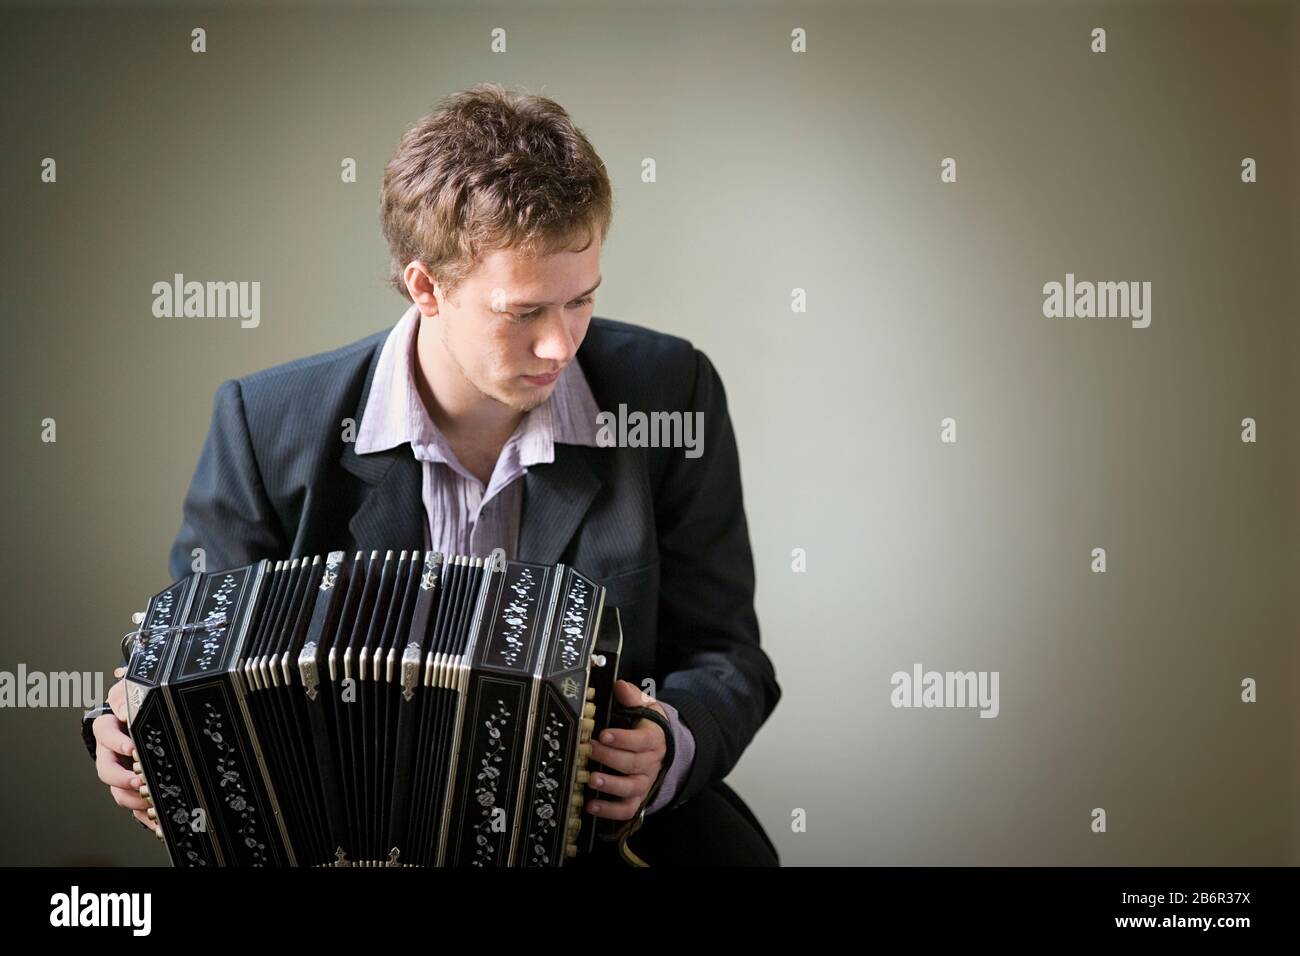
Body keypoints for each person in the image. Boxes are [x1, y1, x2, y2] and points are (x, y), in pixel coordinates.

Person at [84, 82, 781, 866]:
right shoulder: (264, 423)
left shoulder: (671, 392)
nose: (561, 345)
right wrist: (125, 730)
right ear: (426, 287)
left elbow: (729, 658)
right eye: (524, 313)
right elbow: (186, 668)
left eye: (580, 301)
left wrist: (667, 741)